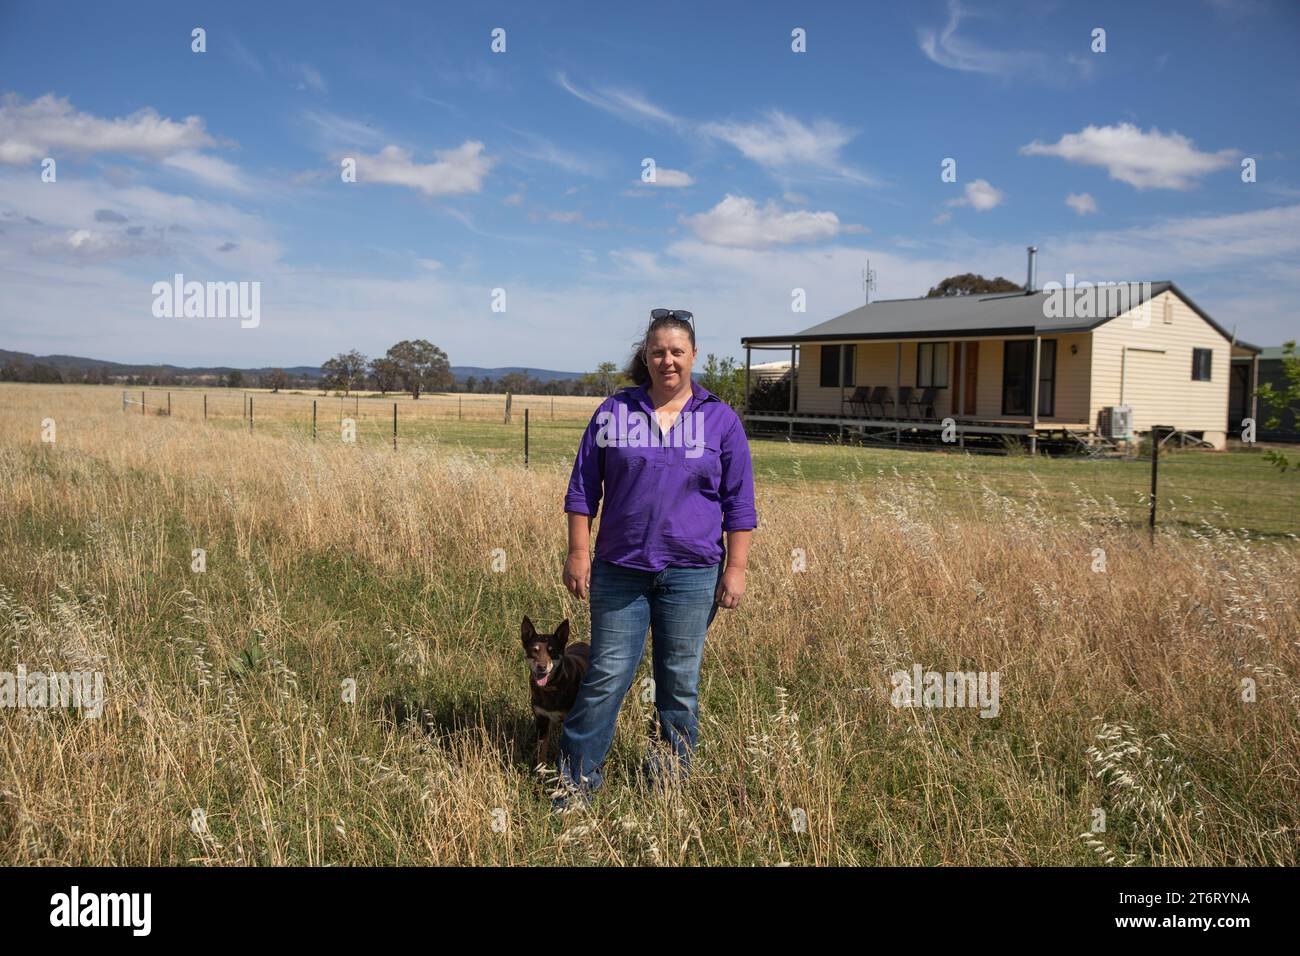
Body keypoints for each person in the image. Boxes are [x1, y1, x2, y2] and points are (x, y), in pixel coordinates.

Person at [557, 308, 757, 809]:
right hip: (620, 569)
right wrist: (578, 552)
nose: (667, 360)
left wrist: (736, 568)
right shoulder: (613, 413)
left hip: (692, 573)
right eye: (657, 352)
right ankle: (575, 785)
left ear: (694, 356)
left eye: (676, 352)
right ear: (645, 357)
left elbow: (740, 502)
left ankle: (667, 782)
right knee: (607, 676)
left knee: (679, 681)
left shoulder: (720, 420)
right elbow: (583, 490)